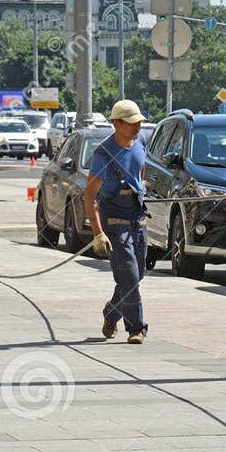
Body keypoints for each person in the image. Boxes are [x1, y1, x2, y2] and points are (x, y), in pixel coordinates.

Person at [84, 100, 151, 344]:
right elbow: (89, 194)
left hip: (137, 216)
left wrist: (141, 186)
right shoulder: (104, 153)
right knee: (129, 276)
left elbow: (140, 170)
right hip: (114, 219)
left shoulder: (141, 141)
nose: (138, 127)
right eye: (132, 123)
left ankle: (112, 313)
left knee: (137, 274)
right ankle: (136, 328)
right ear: (116, 123)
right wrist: (97, 233)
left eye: (140, 122)